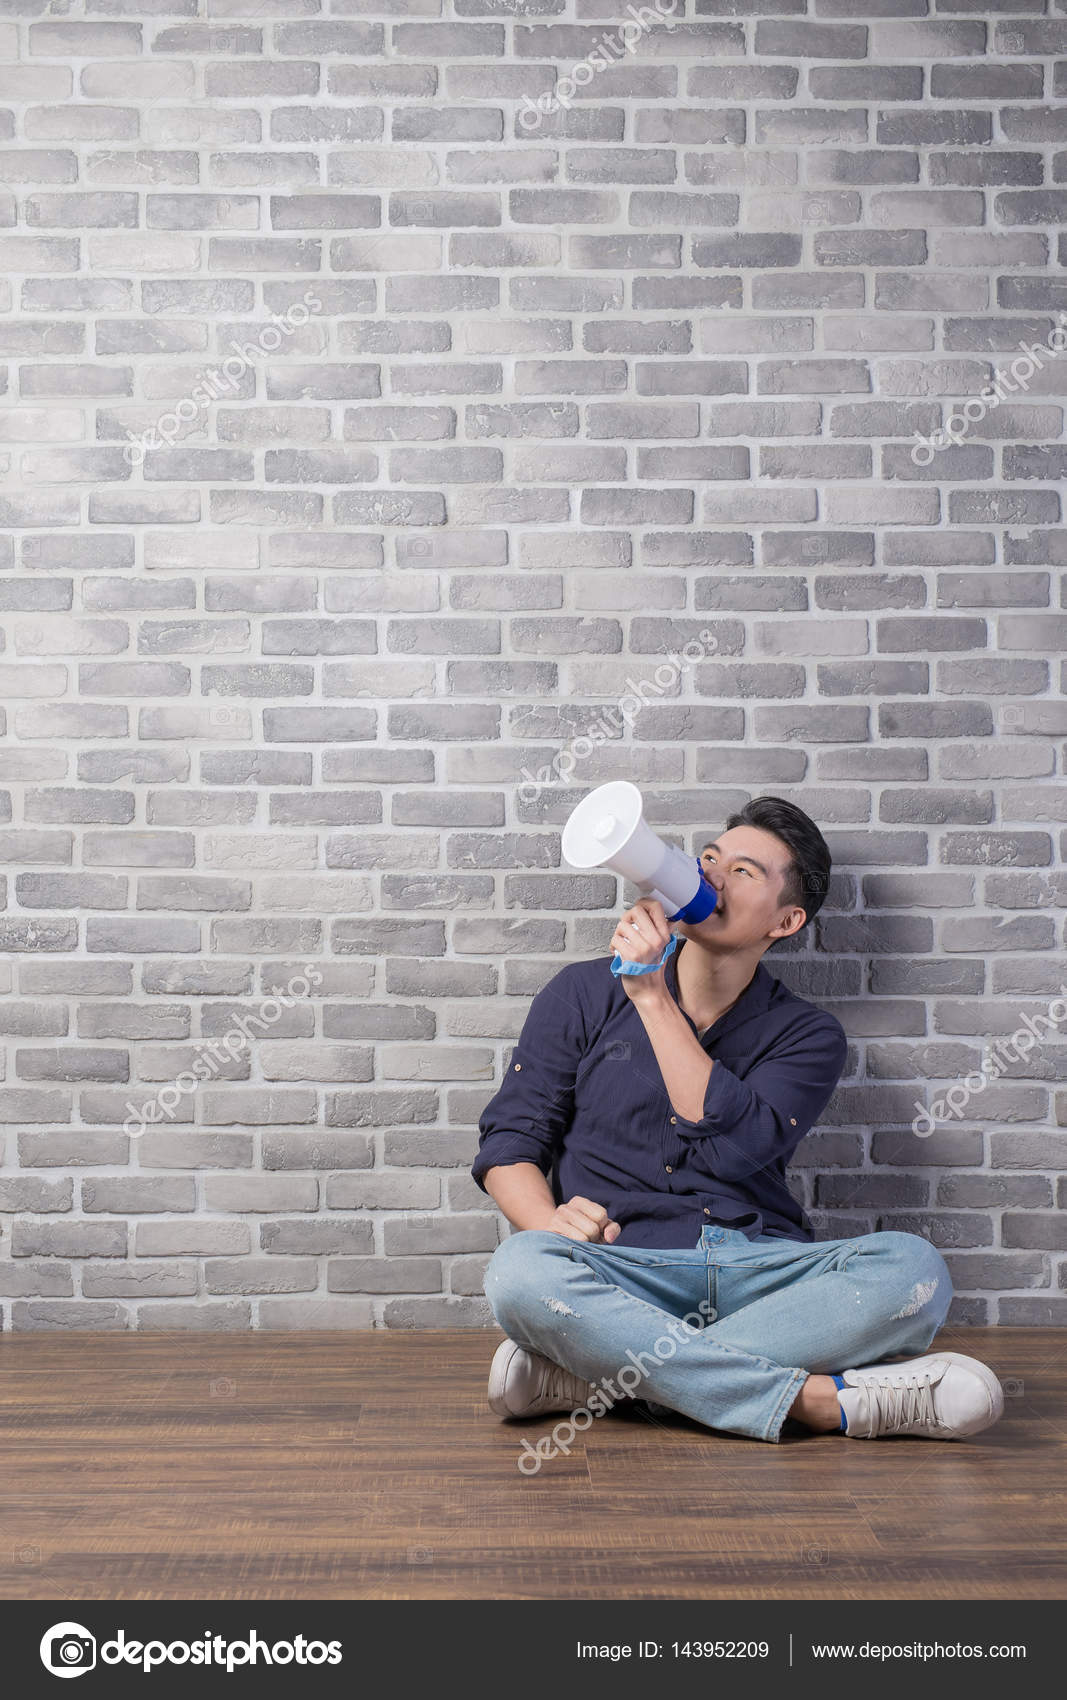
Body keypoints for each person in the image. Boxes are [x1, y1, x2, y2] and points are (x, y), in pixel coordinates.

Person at [472, 796, 1004, 1444]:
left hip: (762, 1274)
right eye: (709, 860)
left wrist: (649, 994)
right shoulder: (580, 994)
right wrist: (549, 1224)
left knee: (912, 1270)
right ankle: (817, 1403)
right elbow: (509, 1145)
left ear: (785, 921)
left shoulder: (808, 1035)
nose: (713, 877)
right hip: (625, 1268)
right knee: (520, 1271)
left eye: (743, 872)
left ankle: (599, 1383)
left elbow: (731, 1149)